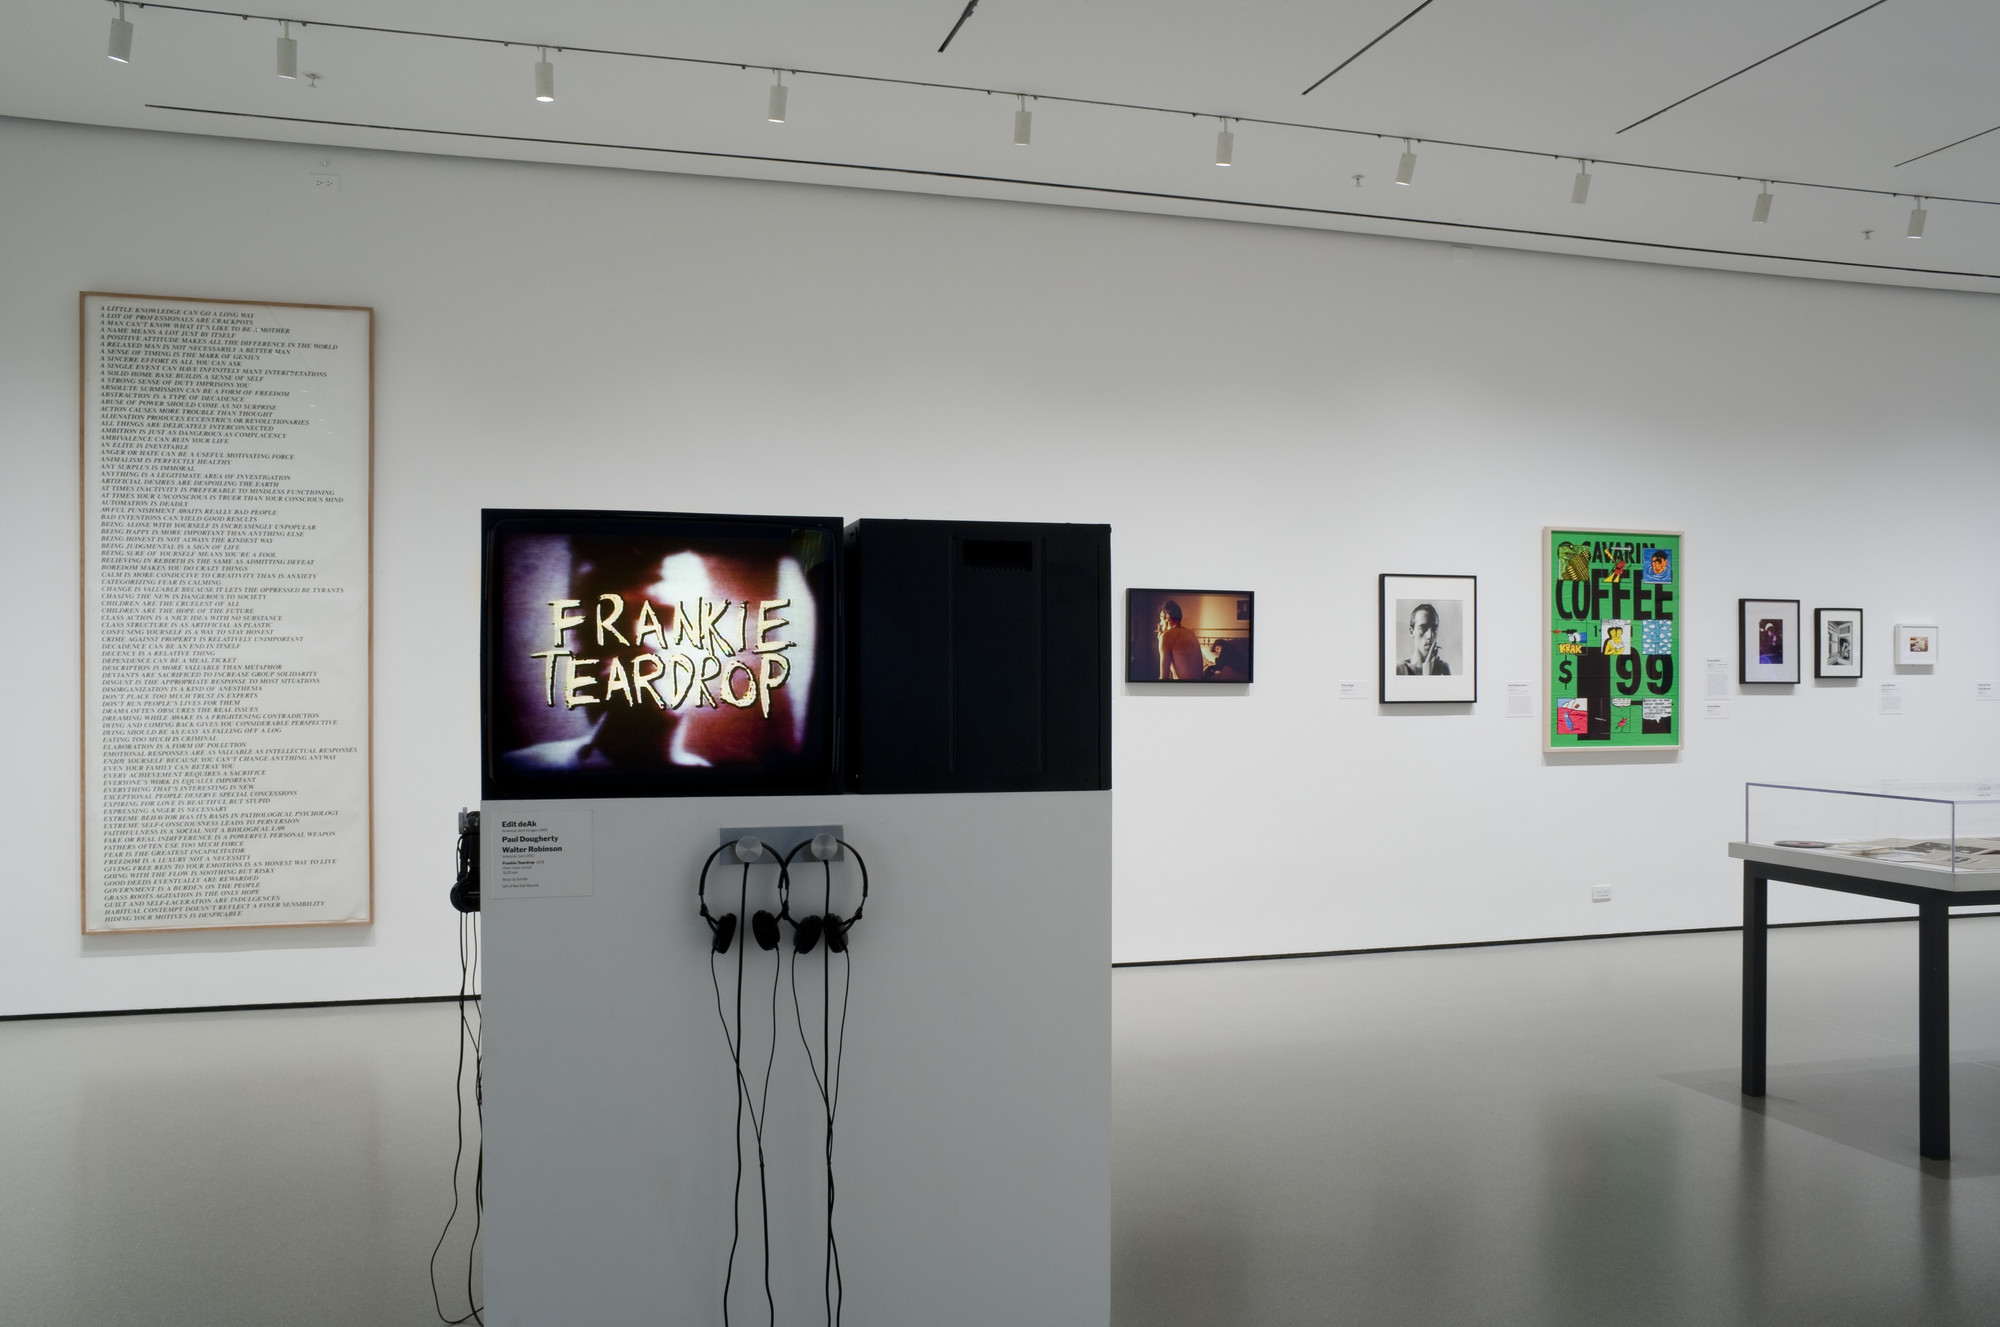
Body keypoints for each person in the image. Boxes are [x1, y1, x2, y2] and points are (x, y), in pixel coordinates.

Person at [1396, 603, 1450, 675]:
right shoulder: (1399, 670)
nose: (1430, 636)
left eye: (1434, 628)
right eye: (1423, 628)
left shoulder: (1445, 669)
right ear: (1412, 632)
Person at [1156, 601, 1204, 680]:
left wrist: (1162, 639)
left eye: (1161, 619)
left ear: (1167, 617)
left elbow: (1164, 677)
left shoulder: (1166, 637)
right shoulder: (1192, 634)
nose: (1160, 623)